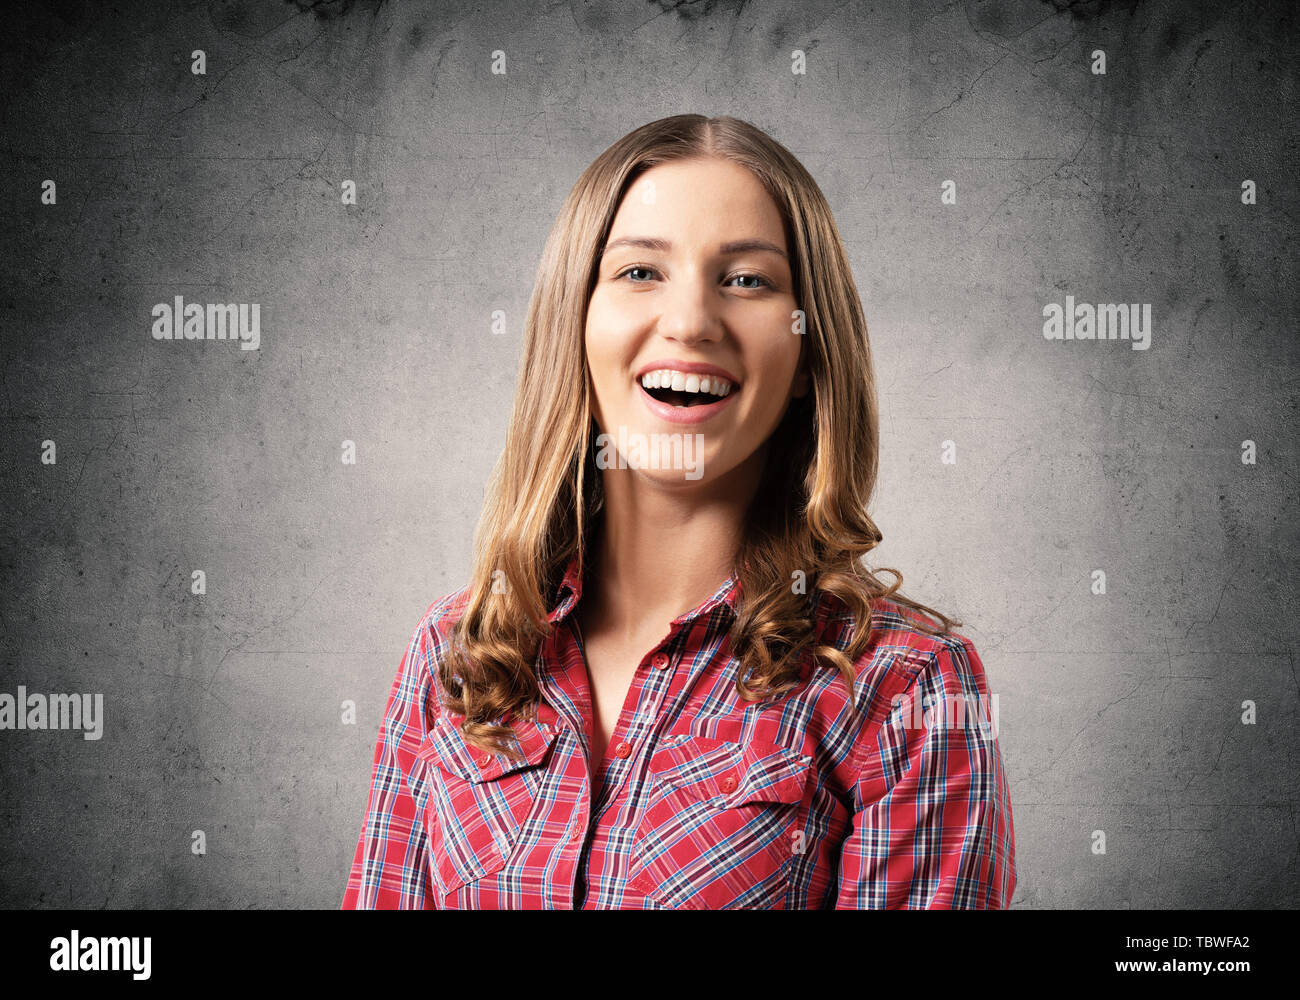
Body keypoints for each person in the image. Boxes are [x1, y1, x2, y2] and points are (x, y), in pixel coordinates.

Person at [342, 114, 1016, 909]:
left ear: (806, 355)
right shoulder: (451, 659)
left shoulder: (909, 688)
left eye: (747, 280)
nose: (692, 321)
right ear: (576, 326)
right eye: (638, 273)